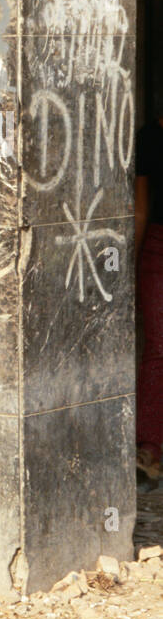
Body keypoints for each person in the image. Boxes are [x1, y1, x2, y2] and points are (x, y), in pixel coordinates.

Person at [135, 112, 163, 481]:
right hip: (158, 248)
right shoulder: (150, 137)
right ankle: (150, 452)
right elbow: (141, 208)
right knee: (157, 348)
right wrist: (131, 259)